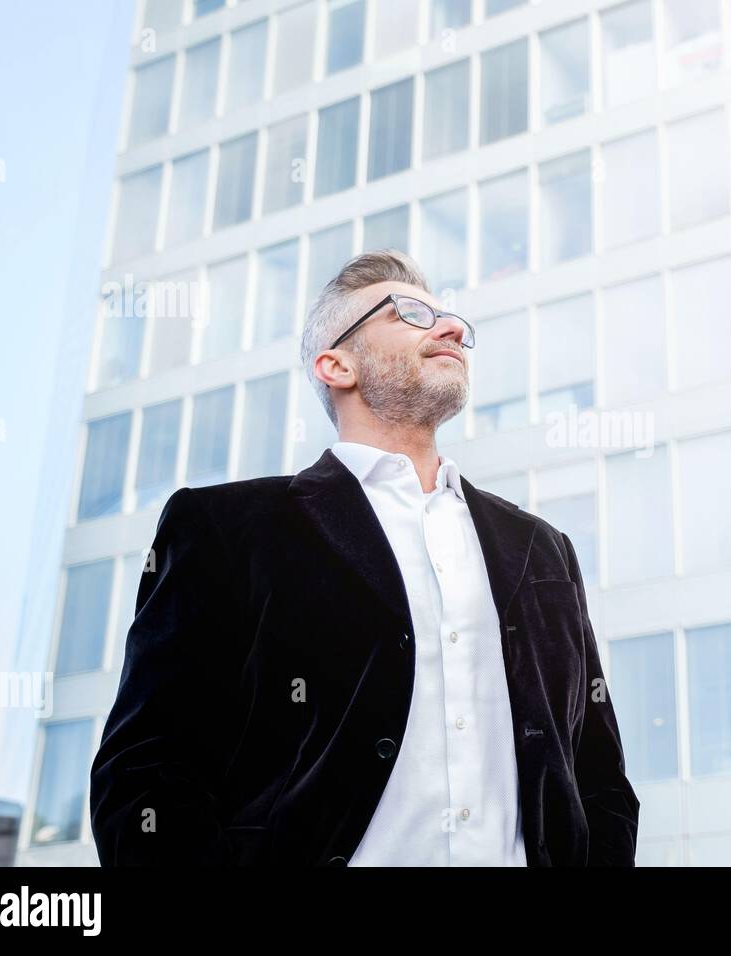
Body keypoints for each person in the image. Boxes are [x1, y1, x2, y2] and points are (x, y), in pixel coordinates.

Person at [89, 249, 639, 866]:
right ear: (337, 364)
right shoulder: (227, 530)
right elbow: (147, 770)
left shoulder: (542, 549)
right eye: (409, 313)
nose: (452, 328)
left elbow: (600, 779)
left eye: (453, 319)